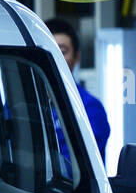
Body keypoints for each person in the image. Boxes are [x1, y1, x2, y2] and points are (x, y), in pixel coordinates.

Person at [46, 17, 110, 161]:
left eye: (62, 51)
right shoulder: (21, 101)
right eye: (48, 50)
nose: (54, 57)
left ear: (76, 58)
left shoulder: (89, 108)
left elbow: (78, 165)